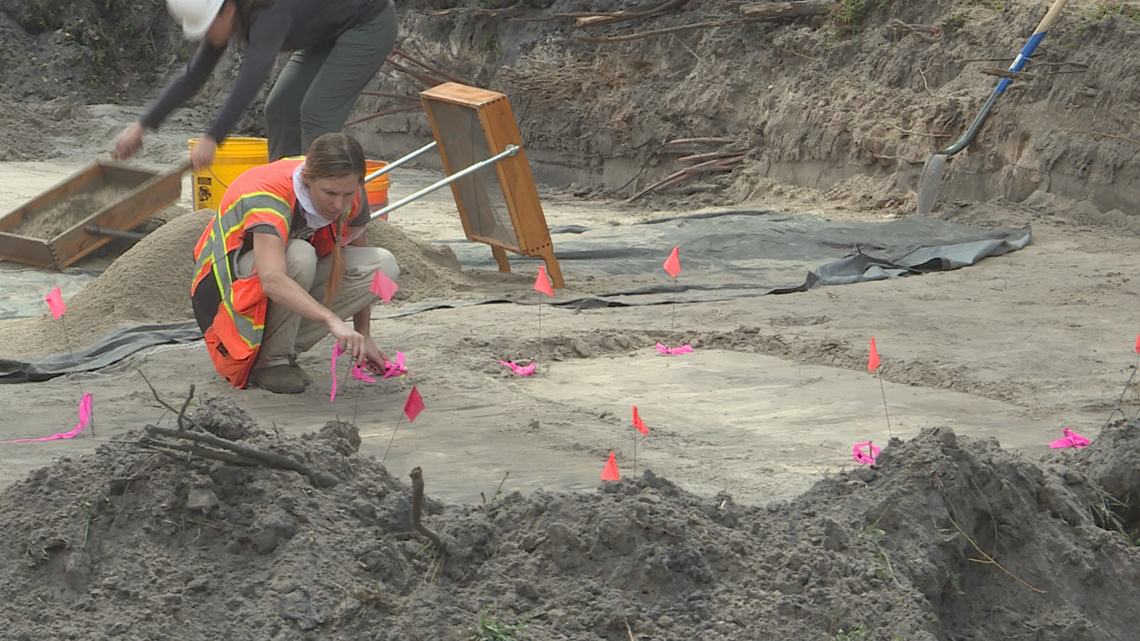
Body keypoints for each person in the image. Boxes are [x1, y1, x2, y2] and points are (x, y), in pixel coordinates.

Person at [191, 132, 399, 394]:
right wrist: (331, 320)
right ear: (307, 179)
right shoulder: (268, 195)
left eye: (347, 194)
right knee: (300, 256)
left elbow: (356, 252)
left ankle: (282, 348)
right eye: (329, 193)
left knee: (384, 267)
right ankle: (270, 361)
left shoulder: (352, 193)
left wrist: (364, 334)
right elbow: (272, 280)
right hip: (223, 302)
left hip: (274, 283)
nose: (338, 204)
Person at [114, 0, 398, 167]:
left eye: (207, 27)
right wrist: (142, 125)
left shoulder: (270, 13)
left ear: (227, 10)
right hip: (328, 33)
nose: (206, 36)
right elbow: (193, 75)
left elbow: (252, 77)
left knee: (316, 112)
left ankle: (332, 216)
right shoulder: (232, 15)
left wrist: (213, 137)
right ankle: (284, 200)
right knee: (280, 109)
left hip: (368, 24)